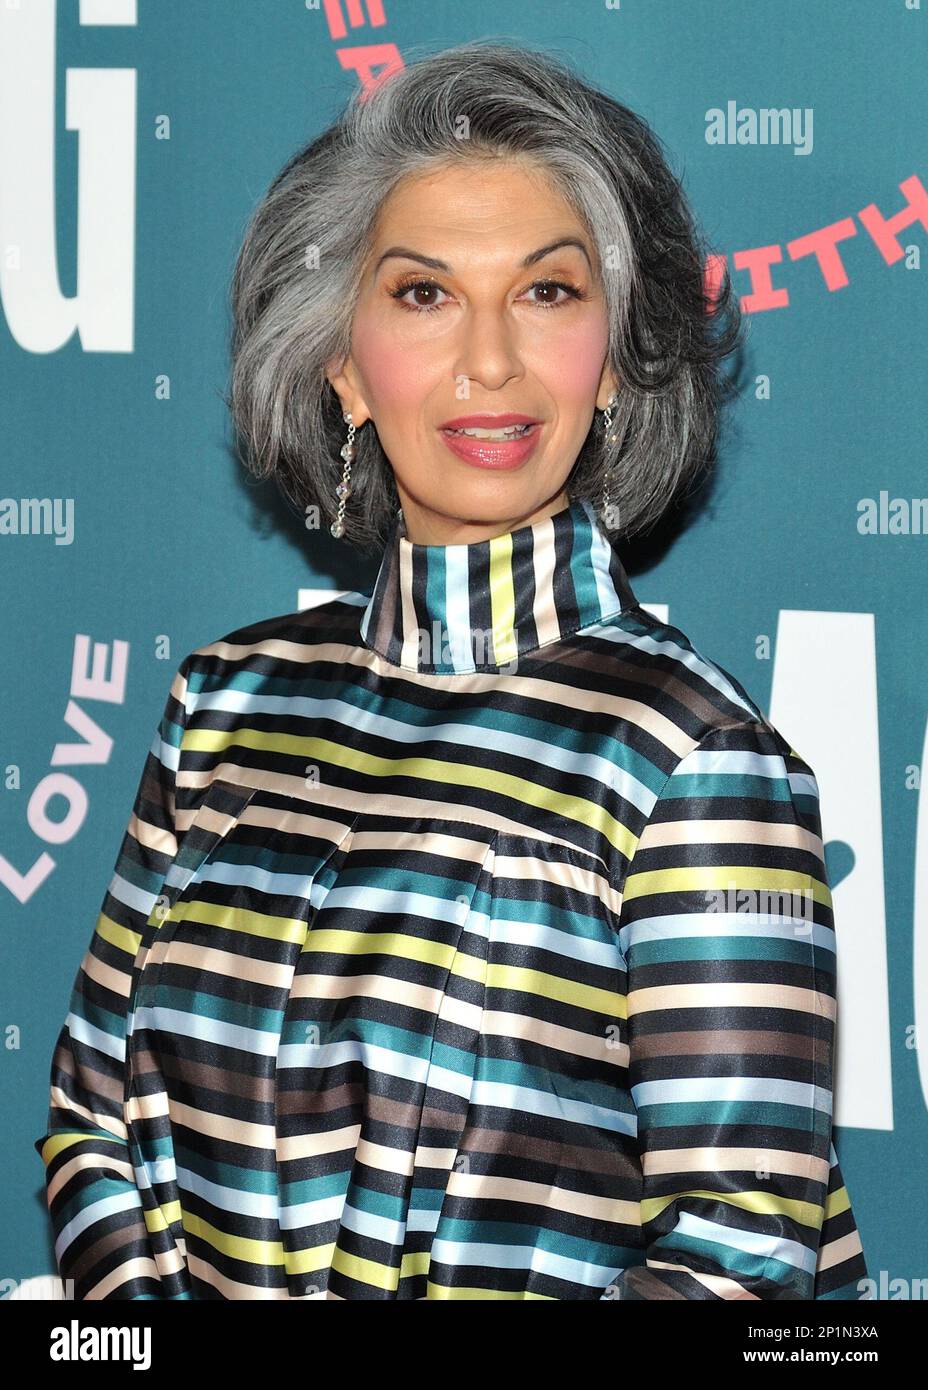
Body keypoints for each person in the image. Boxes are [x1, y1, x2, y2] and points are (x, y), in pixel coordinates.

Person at [34, 38, 868, 1301]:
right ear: (339, 365)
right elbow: (91, 1127)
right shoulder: (222, 705)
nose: (490, 361)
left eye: (546, 293)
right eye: (424, 294)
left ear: (617, 361)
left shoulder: (691, 763)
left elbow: (740, 1261)